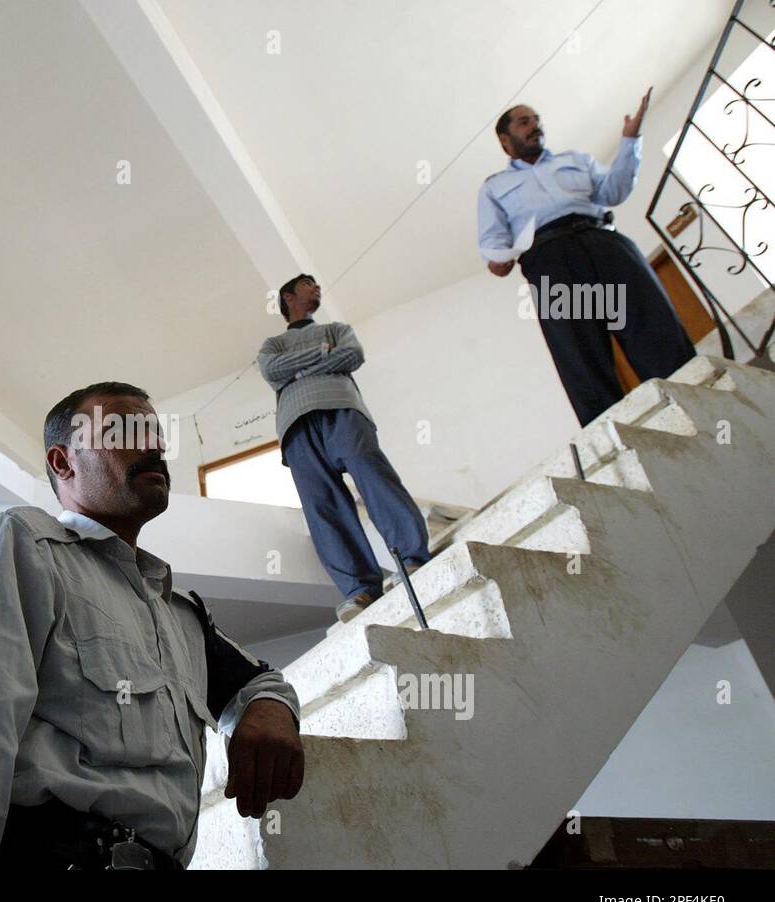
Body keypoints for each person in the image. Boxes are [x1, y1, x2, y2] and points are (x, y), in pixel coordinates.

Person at [0, 382, 304, 869]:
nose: (152, 444)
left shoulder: (181, 617)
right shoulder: (18, 547)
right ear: (62, 463)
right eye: (122, 429)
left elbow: (258, 681)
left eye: (155, 432)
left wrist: (268, 708)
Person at [477, 91, 696, 425]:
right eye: (525, 122)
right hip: (549, 260)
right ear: (505, 140)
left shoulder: (576, 160)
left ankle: (691, 394)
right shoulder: (494, 187)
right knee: (579, 349)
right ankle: (613, 432)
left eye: (537, 120)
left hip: (603, 243)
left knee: (649, 321)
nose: (535, 126)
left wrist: (630, 139)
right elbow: (493, 241)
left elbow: (615, 191)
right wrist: (498, 262)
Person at [259, 275, 431, 623]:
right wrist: (324, 355)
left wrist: (296, 371)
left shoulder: (337, 329)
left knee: (375, 479)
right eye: (309, 284)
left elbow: (351, 355)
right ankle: (360, 589)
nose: (317, 288)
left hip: (343, 408)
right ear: (289, 297)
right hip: (294, 425)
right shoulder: (273, 343)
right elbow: (271, 369)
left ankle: (412, 557)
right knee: (323, 506)